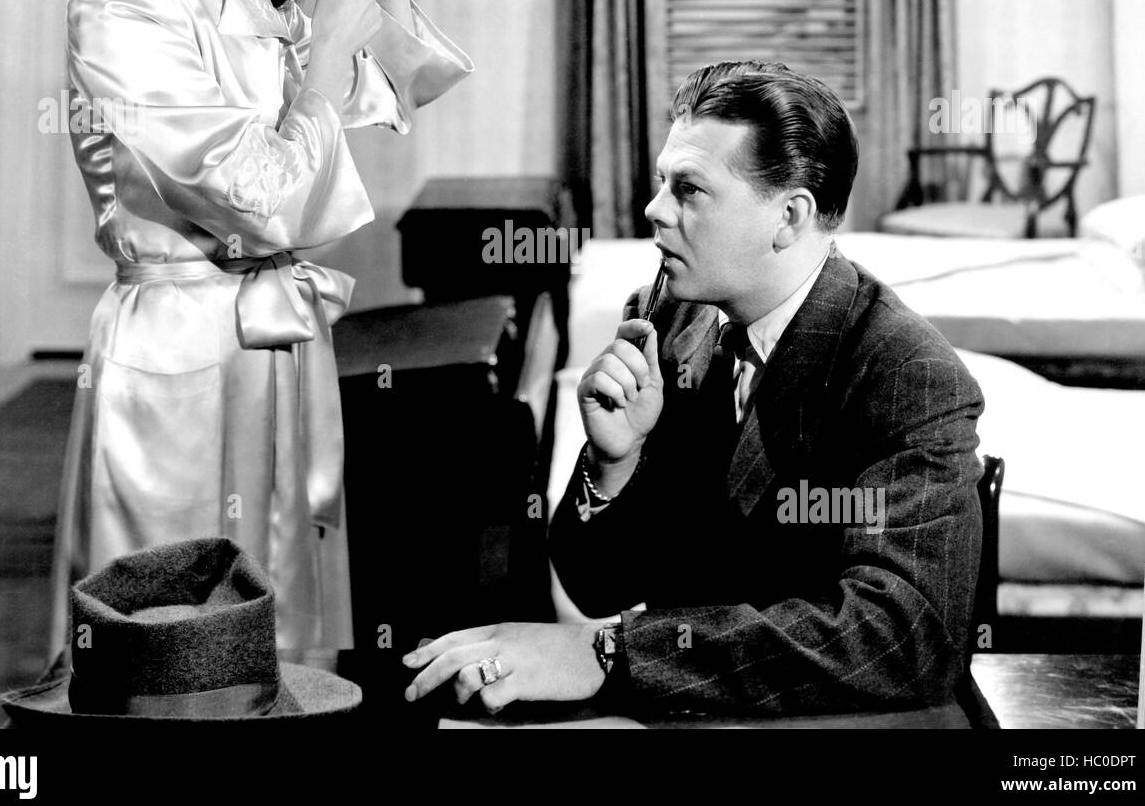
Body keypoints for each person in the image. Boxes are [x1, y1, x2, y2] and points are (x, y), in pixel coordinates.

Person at [403, 61, 984, 716]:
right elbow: (598, 587)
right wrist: (612, 463)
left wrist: (609, 653)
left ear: (789, 216)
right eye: (661, 184)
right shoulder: (671, 313)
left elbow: (900, 637)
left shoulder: (906, 374)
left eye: (689, 190)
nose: (653, 210)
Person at [49, 0, 472, 668]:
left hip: (279, 341)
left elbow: (400, 86)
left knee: (284, 621)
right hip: (179, 346)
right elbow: (250, 190)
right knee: (171, 633)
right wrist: (318, 71)